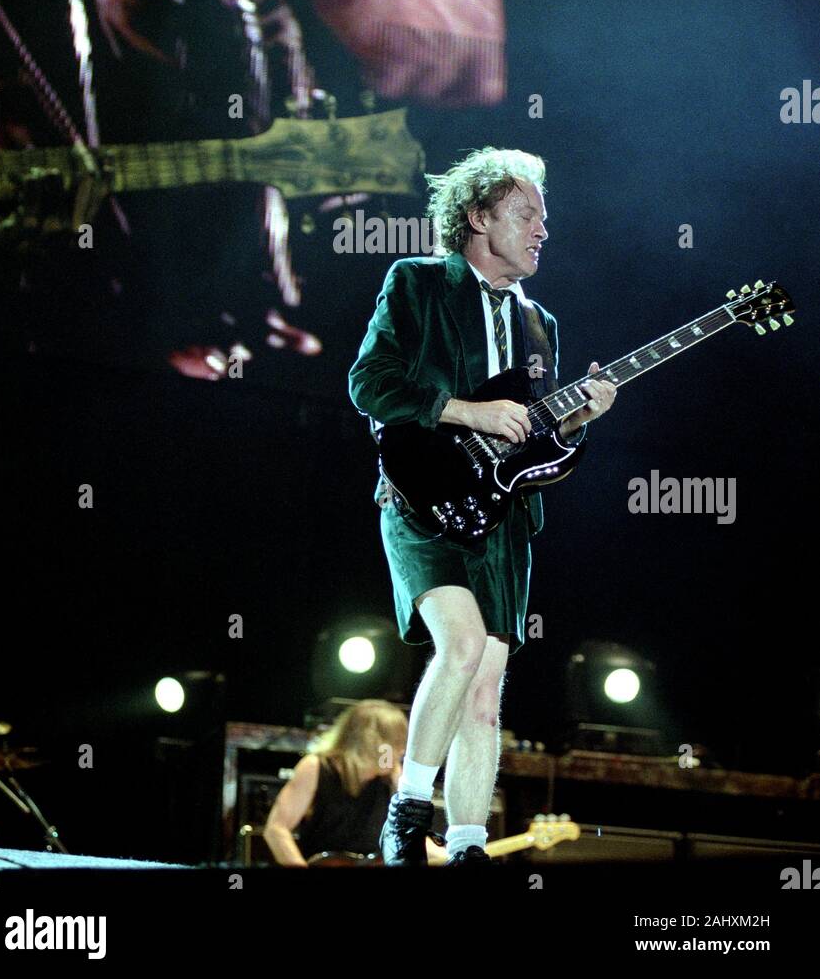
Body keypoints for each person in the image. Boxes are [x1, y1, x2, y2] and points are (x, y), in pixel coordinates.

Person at [348, 147, 617, 866]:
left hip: (503, 517)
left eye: (544, 218)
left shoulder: (541, 326)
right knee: (460, 645)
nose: (542, 230)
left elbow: (531, 439)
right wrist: (467, 411)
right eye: (526, 214)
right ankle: (406, 814)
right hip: (420, 494)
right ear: (475, 216)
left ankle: (466, 845)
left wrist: (577, 420)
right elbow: (370, 385)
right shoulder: (416, 283)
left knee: (484, 691)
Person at [263, 698, 443, 866]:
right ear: (371, 741)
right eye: (395, 743)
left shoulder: (392, 776)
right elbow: (277, 829)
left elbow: (413, 838)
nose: (401, 751)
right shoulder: (316, 767)